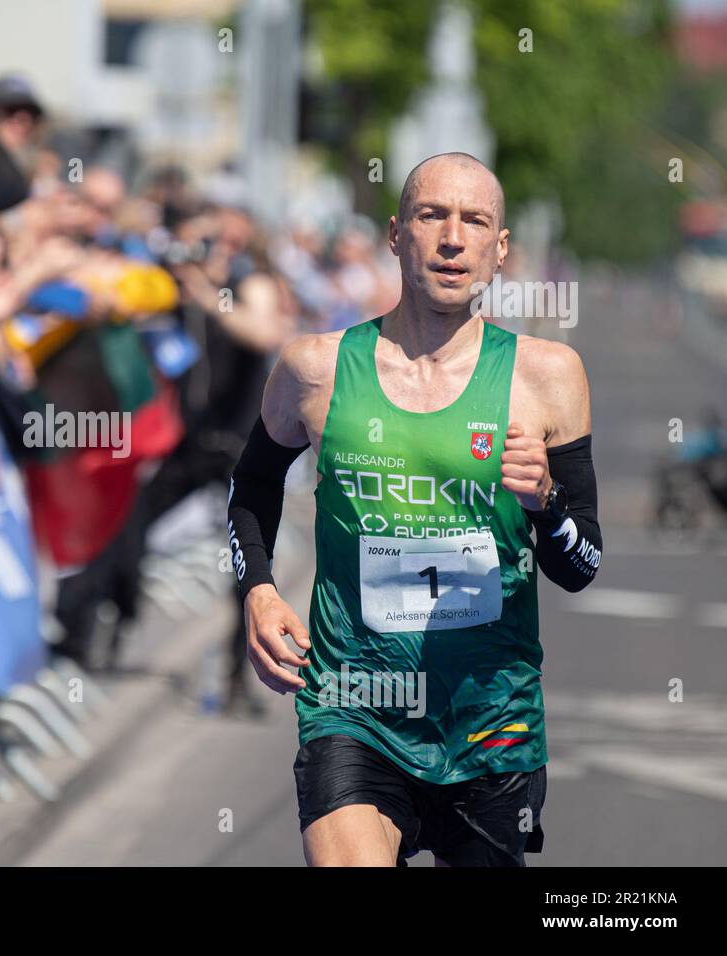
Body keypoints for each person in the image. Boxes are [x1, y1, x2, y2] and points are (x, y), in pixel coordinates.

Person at [227, 152, 603, 867]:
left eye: (475, 222)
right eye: (433, 216)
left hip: (491, 721)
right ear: (397, 236)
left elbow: (582, 564)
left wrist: (545, 504)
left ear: (500, 251)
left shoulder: (546, 377)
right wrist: (260, 590)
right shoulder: (316, 367)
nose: (453, 238)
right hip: (353, 707)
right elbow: (250, 488)